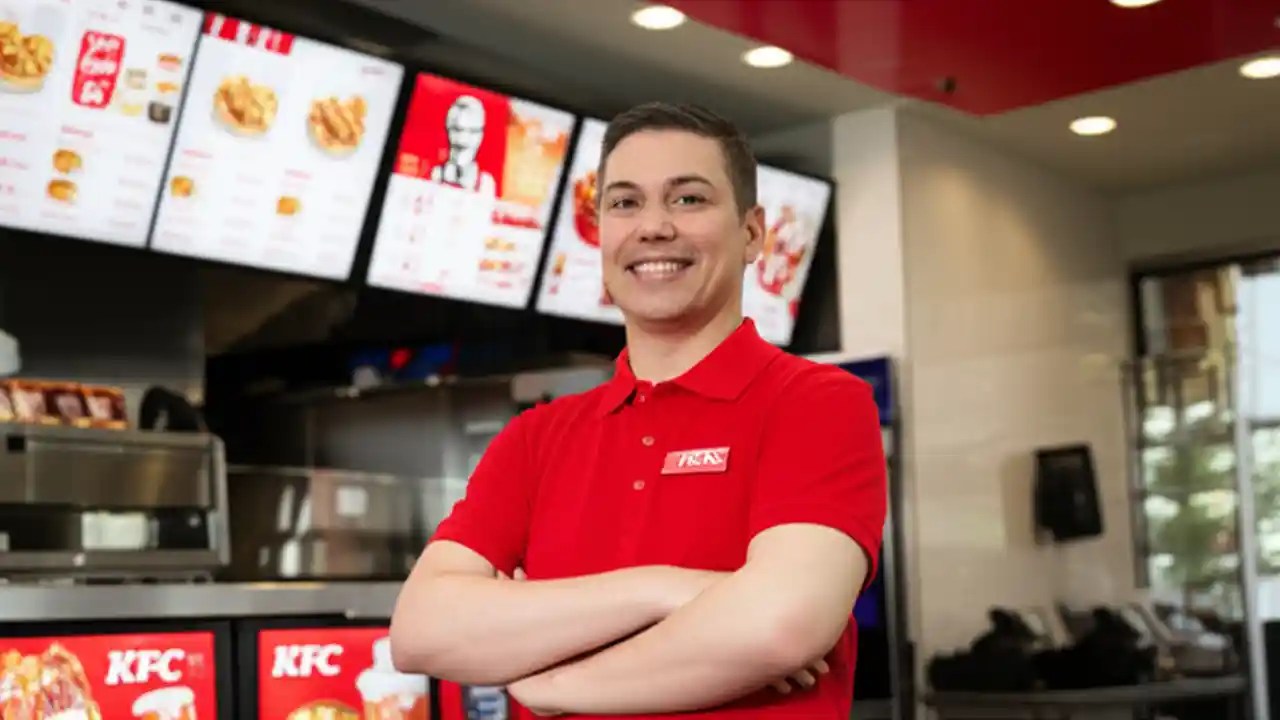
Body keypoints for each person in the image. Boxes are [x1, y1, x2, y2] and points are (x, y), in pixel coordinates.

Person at [390, 102, 887, 718]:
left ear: (753, 232)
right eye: (625, 203)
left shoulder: (818, 404)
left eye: (688, 199)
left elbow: (781, 626)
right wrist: (671, 590)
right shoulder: (536, 437)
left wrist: (550, 683)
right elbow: (420, 630)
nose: (653, 227)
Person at [430, 94, 497, 195]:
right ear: (448, 130)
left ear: (481, 135)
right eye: (457, 130)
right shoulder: (436, 174)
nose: (463, 140)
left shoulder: (486, 183)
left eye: (472, 131)